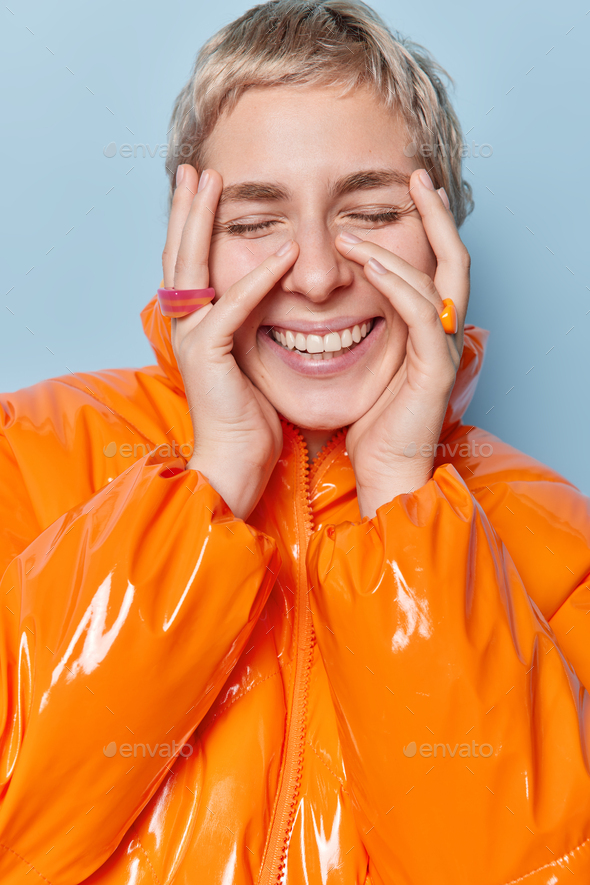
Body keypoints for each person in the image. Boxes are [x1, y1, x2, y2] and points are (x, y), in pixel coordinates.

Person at [1, 1, 589, 882]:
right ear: (187, 245)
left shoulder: (559, 545)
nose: (316, 275)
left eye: (373, 212)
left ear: (444, 245)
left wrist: (402, 498)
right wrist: (215, 477)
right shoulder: (30, 457)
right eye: (252, 222)